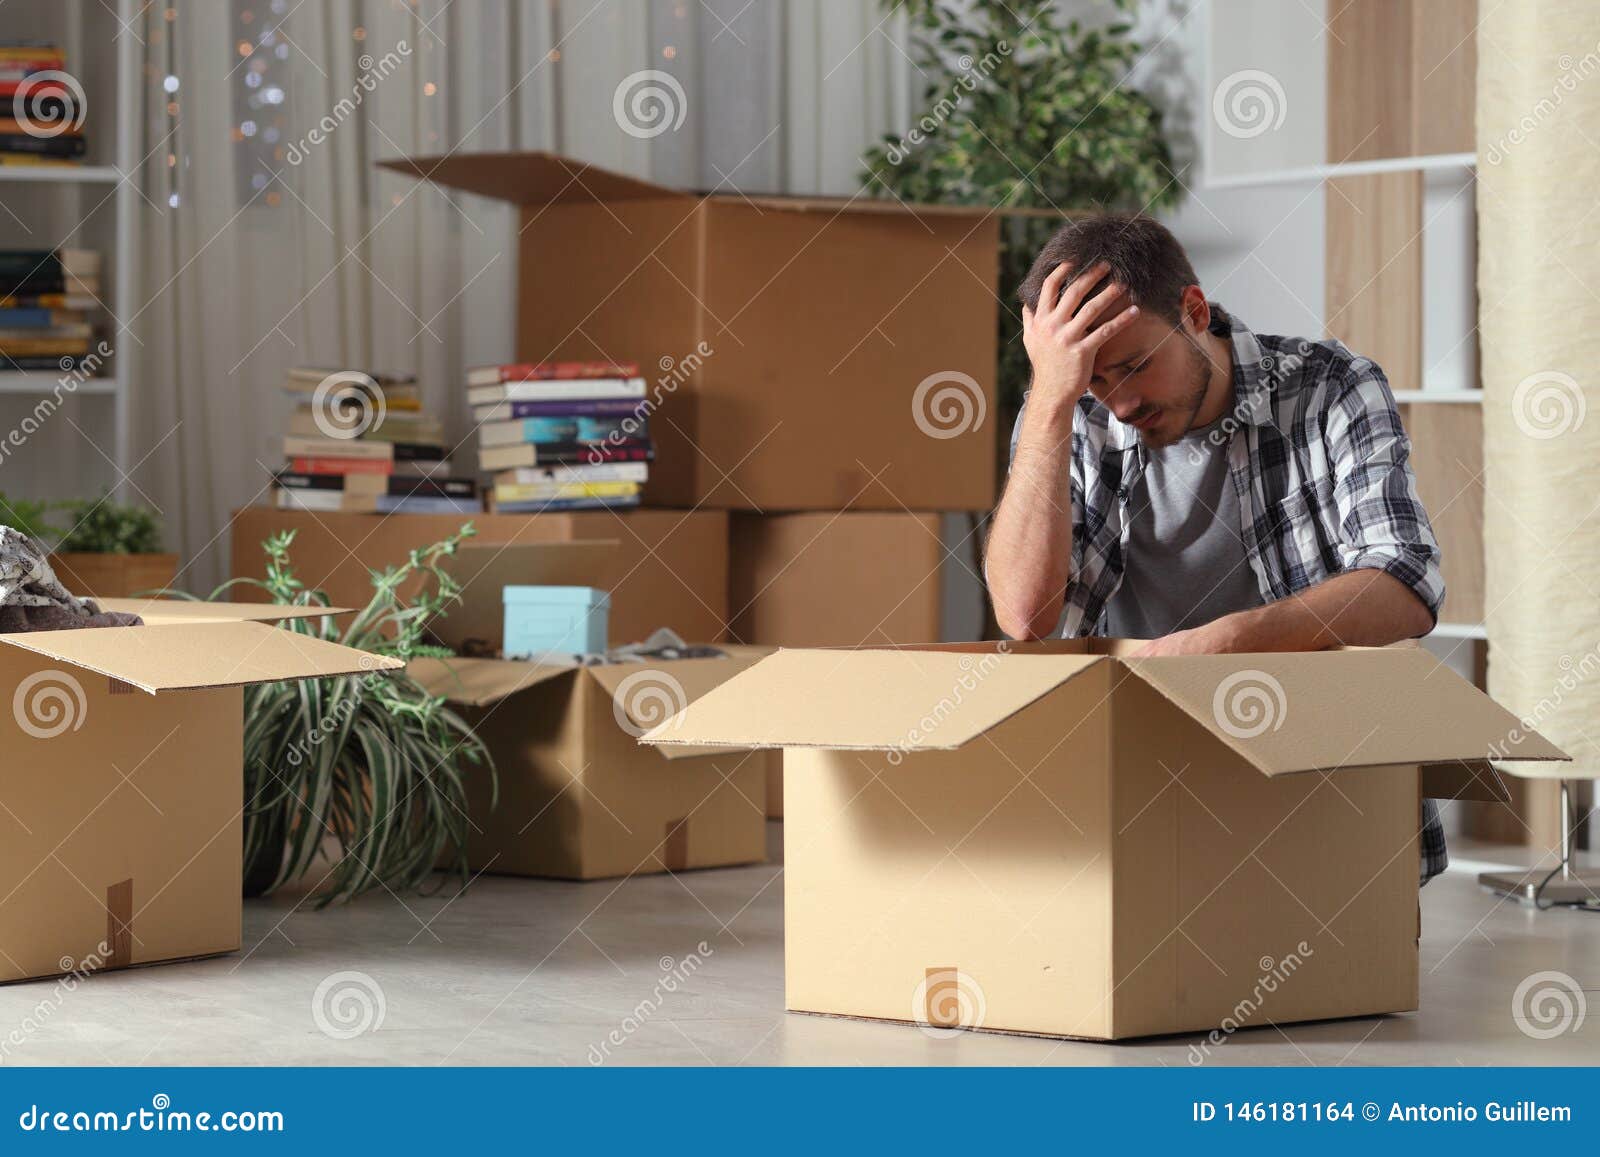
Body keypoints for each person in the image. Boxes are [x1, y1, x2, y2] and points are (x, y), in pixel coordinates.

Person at [983, 213, 1448, 883]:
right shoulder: (1069, 415)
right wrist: (1053, 401)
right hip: (1133, 779)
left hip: (1307, 775)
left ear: (1194, 311)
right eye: (1093, 382)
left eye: (1133, 366)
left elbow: (1406, 579)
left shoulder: (1328, 387)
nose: (1119, 403)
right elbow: (1024, 615)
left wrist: (1233, 642)